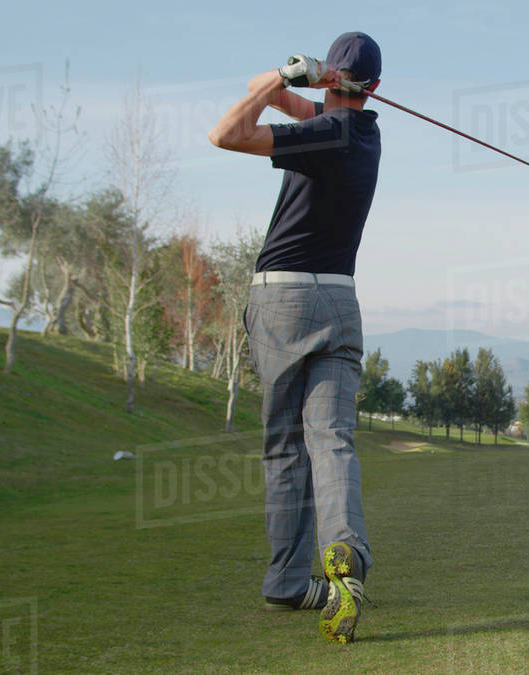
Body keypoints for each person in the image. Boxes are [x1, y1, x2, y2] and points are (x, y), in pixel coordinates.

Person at [208, 31, 381, 644]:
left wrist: (283, 77)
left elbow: (225, 132)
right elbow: (302, 109)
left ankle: (286, 579)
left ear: (333, 75)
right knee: (331, 440)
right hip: (340, 296)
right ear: (374, 88)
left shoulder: (323, 132)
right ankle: (345, 563)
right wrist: (302, 83)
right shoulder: (365, 135)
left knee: (285, 447)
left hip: (282, 298)